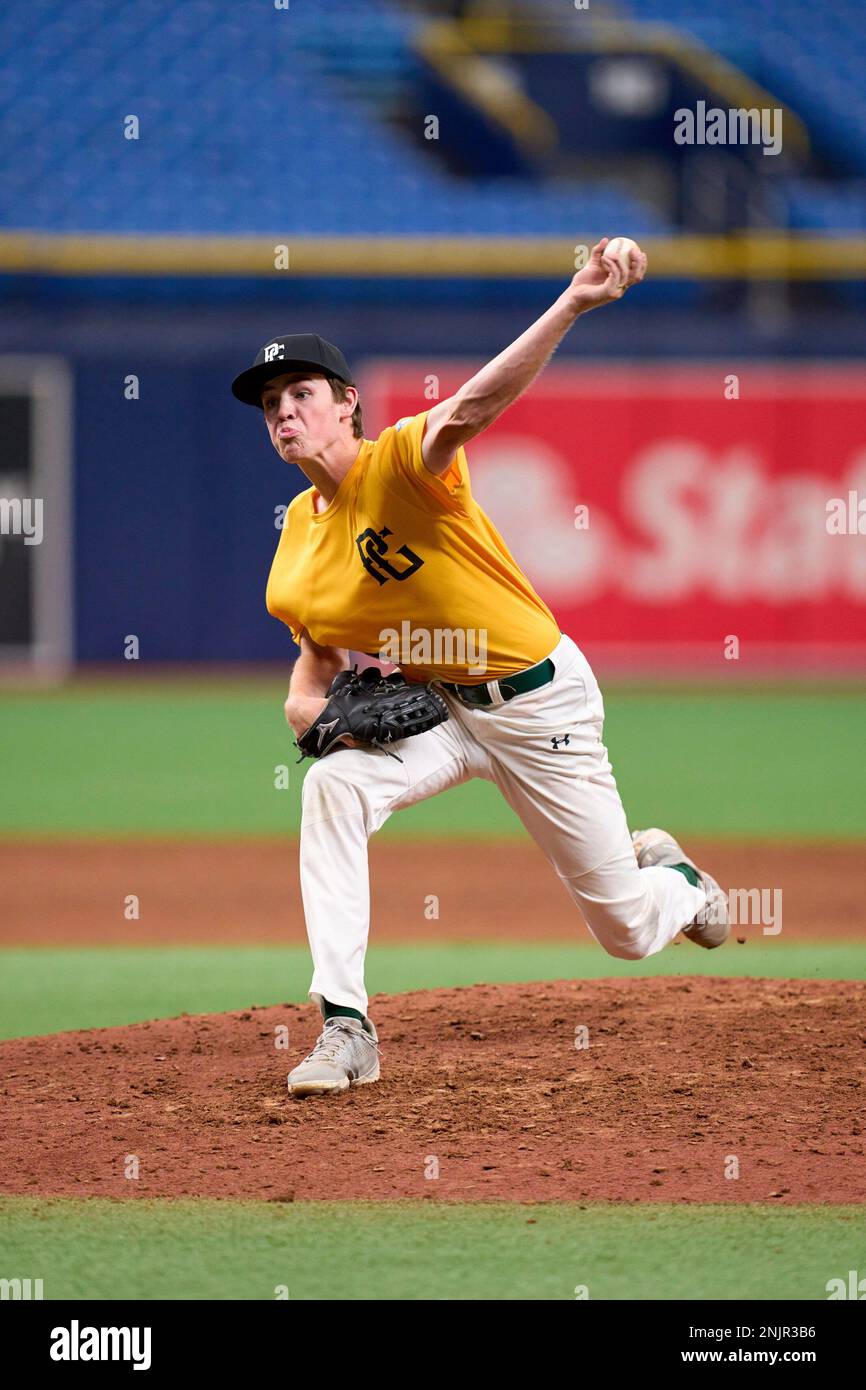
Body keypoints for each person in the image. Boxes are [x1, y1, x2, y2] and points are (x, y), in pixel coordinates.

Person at [230, 237, 728, 1099]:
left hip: (541, 707)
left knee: (626, 932)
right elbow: (314, 661)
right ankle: (347, 1028)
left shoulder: (402, 466)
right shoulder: (296, 545)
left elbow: (470, 407)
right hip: (445, 714)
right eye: (271, 402)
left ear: (347, 404)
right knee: (331, 788)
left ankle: (679, 882)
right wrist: (306, 712)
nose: (284, 412)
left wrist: (574, 302)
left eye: (301, 394)